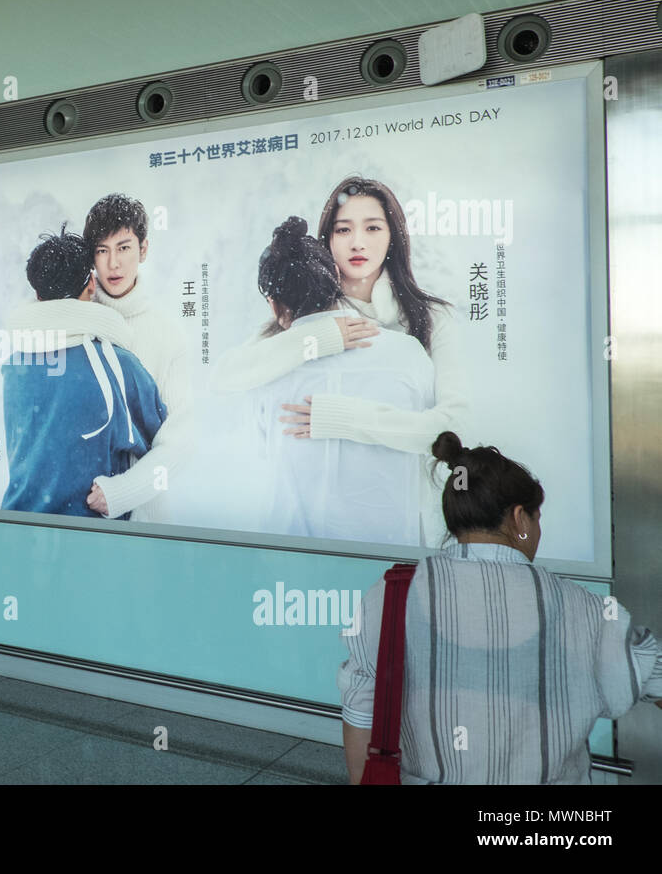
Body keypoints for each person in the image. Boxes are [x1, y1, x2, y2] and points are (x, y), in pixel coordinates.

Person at [338, 431, 662, 784]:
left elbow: (361, 714)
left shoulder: (389, 596)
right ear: (521, 518)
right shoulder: (588, 613)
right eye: (537, 518)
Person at [214, 176, 465, 455]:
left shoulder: (432, 317)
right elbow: (227, 376)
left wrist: (349, 419)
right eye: (343, 230)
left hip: (402, 490)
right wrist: (316, 339)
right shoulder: (306, 314)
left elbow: (453, 429)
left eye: (372, 228)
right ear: (328, 239)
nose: (357, 243)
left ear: (393, 236)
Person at [248, 217, 433, 545]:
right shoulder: (408, 355)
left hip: (293, 569)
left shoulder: (265, 373)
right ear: (335, 276)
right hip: (391, 565)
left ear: (275, 306)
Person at [1, 226, 166, 518]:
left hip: (16, 526)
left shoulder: (14, 364)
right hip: (85, 538)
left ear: (38, 294)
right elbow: (162, 438)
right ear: (92, 283)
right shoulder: (116, 364)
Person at [82, 194, 192, 524]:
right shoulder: (75, 321)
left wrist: (122, 492)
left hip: (144, 518)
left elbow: (180, 442)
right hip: (74, 510)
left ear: (143, 250)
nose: (113, 263)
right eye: (102, 250)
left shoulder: (167, 333)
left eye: (124, 247)